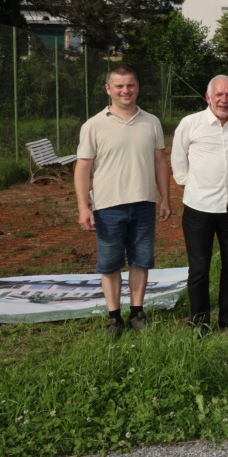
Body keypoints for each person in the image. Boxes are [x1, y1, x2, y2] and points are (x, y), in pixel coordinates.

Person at [75, 65, 171, 336]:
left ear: (137, 87)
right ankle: (114, 317)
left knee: (141, 262)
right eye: (119, 86)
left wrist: (165, 198)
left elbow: (159, 161)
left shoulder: (151, 121)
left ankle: (137, 313)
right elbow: (83, 167)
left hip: (143, 204)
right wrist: (84, 207)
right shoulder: (93, 125)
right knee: (110, 264)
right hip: (107, 207)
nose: (125, 90)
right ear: (108, 89)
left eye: (130, 85)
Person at [171, 75, 228, 335]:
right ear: (208, 97)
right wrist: (189, 185)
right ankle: (200, 321)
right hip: (199, 209)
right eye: (218, 94)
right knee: (199, 269)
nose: (223, 100)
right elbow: (178, 159)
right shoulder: (190, 124)